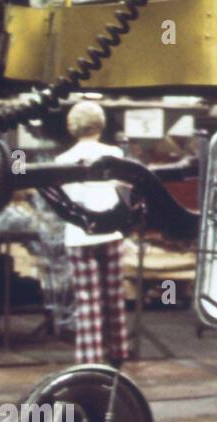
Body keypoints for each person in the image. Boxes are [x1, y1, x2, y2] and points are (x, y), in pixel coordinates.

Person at [54, 100, 130, 367]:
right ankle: (119, 354)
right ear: (101, 124)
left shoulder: (61, 161)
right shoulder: (115, 154)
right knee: (114, 296)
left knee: (88, 301)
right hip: (111, 234)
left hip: (79, 236)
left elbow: (60, 199)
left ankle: (90, 361)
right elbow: (125, 187)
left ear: (72, 127)